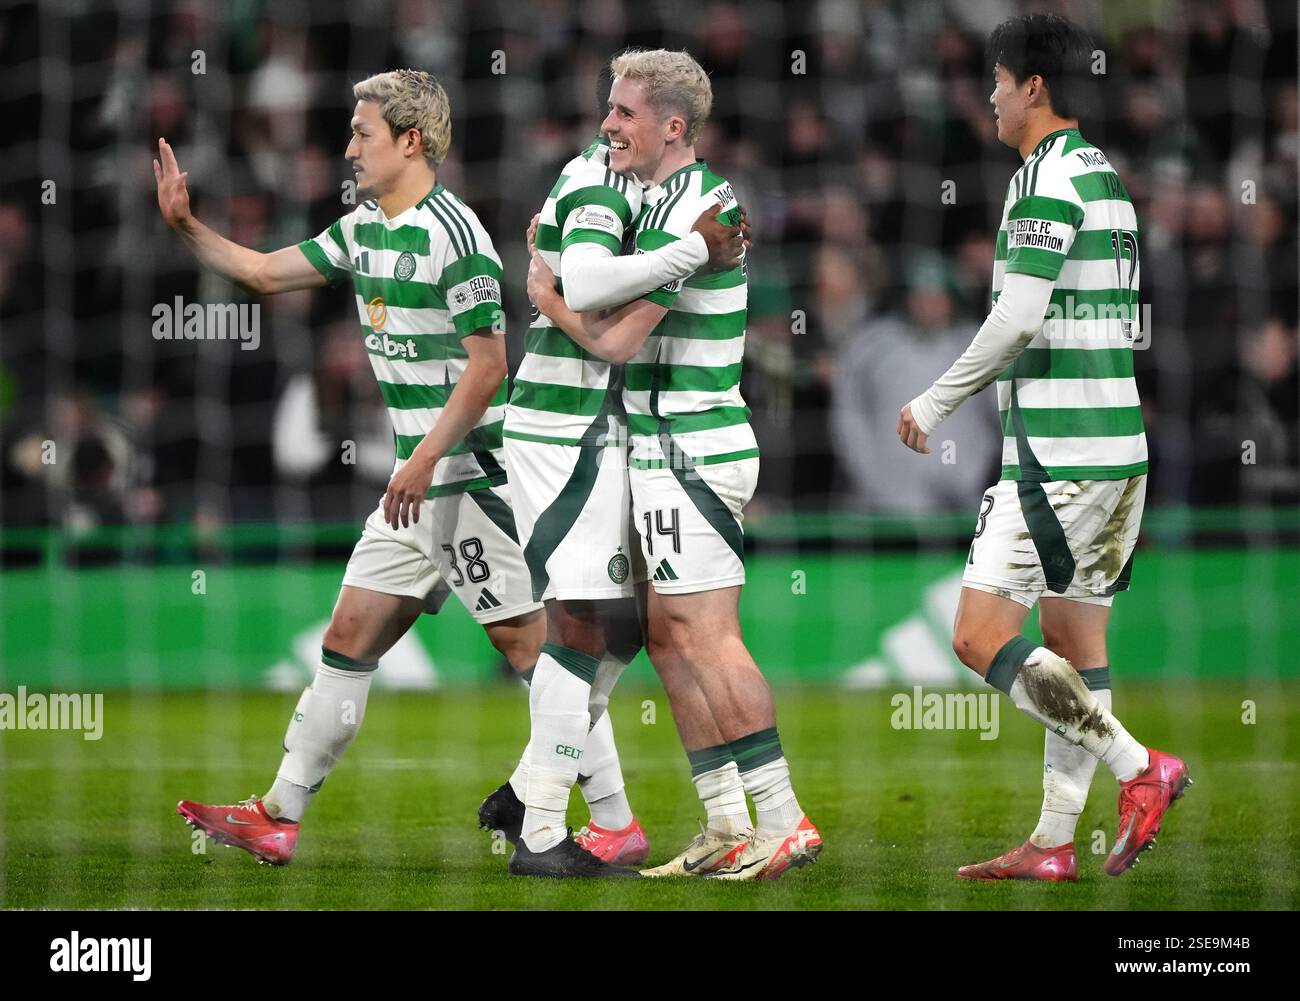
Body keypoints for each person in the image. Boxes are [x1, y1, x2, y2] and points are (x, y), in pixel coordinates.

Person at [156, 70, 624, 865]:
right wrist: (186, 224)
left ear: (411, 140)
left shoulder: (457, 235)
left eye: (361, 133)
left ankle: (612, 820)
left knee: (533, 653)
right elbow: (267, 274)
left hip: (468, 478)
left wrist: (425, 459)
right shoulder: (362, 227)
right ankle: (278, 813)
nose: (348, 148)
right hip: (414, 487)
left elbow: (489, 369)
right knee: (348, 638)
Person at [896, 14, 1190, 880]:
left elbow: (1018, 318)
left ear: (1032, 86)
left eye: (995, 82)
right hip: (1117, 448)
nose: (986, 99)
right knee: (1073, 644)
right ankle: (1056, 842)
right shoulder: (1107, 178)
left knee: (979, 634)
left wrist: (936, 400)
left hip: (1062, 453)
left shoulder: (1044, 179)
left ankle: (1143, 770)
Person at [528, 48, 822, 881]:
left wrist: (550, 295)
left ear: (672, 126)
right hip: (660, 446)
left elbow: (615, 336)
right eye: (608, 109)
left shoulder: (703, 211)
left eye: (623, 113)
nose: (607, 125)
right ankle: (727, 823)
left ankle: (783, 816)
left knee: (708, 634)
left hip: (694, 443)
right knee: (665, 635)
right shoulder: (666, 208)